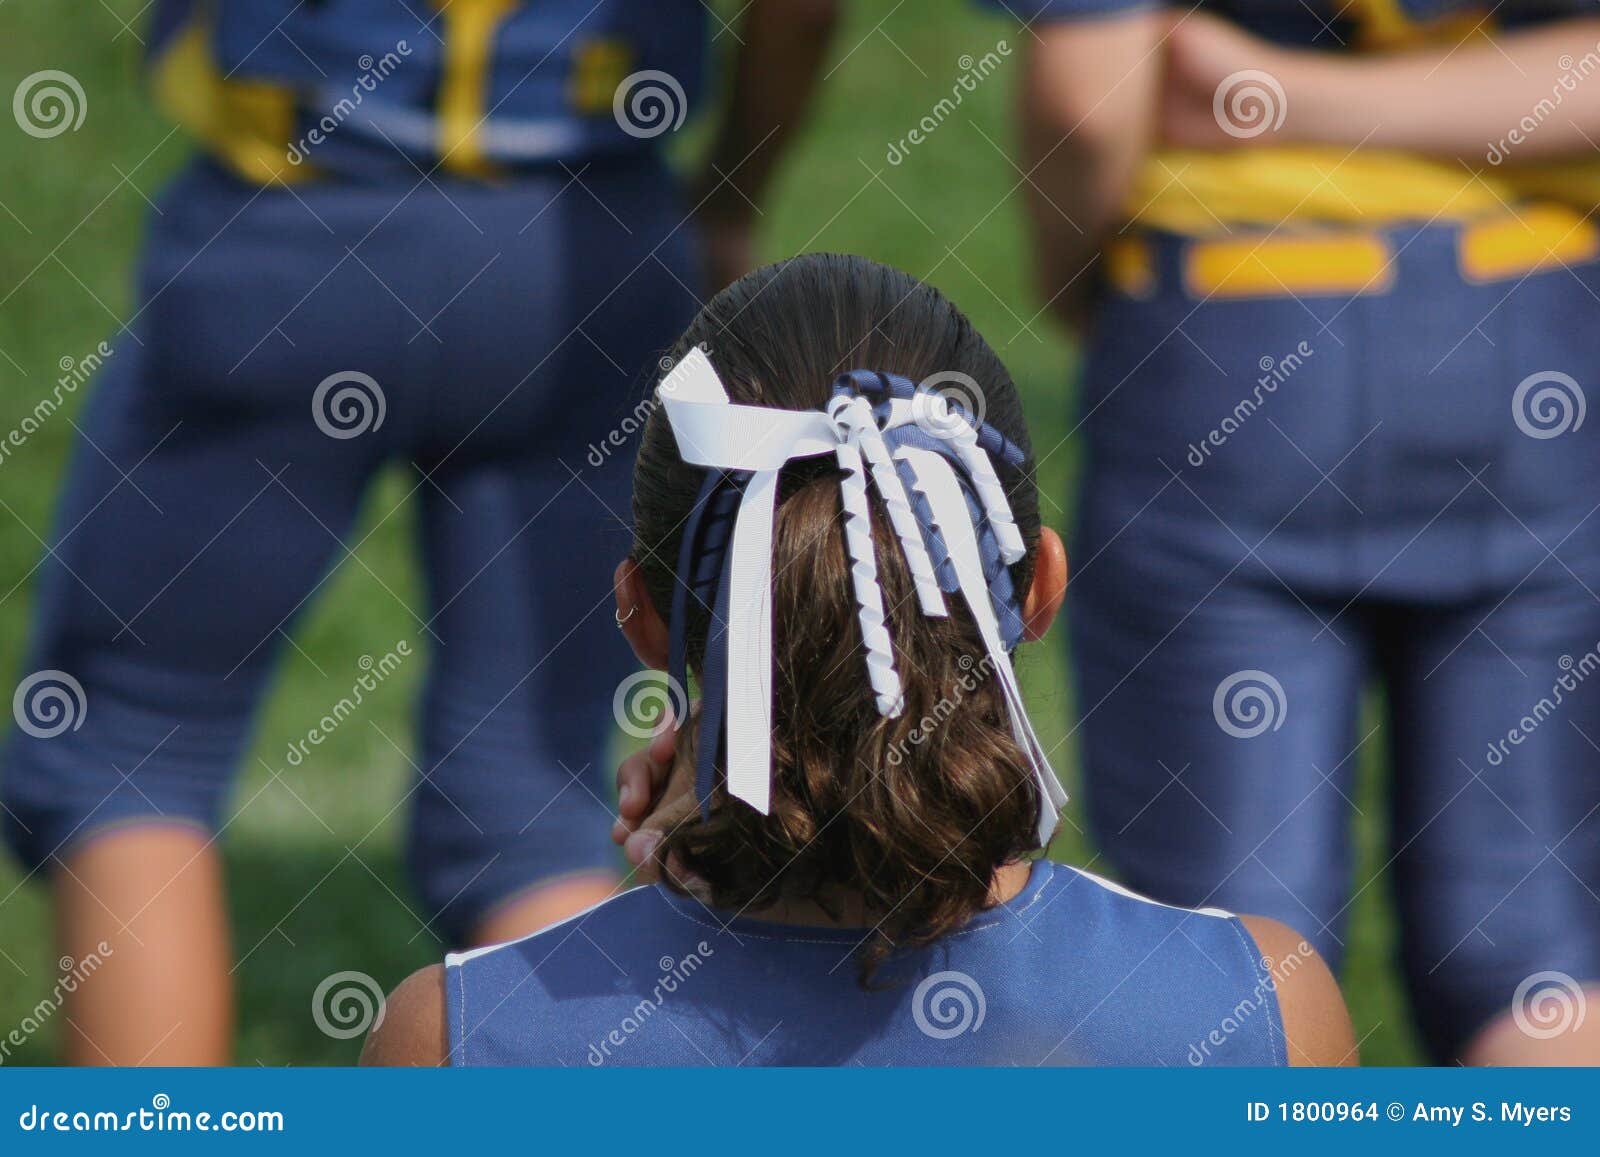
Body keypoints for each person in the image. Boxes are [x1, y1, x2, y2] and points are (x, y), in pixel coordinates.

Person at [0, 0, 840, 1064]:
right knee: (531, 794)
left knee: (128, 749)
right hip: (587, 247)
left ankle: (156, 1127)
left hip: (290, 233)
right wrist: (731, 189)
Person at [362, 253, 1355, 1066]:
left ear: (641, 617)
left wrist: (708, 848)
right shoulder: (1259, 1008)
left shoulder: (458, 1041)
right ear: (1040, 588)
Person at [990, 0, 1600, 1062]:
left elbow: (1087, 102)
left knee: (1224, 960)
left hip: (1234, 323)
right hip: (1540, 334)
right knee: (1532, 958)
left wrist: (1263, 102)